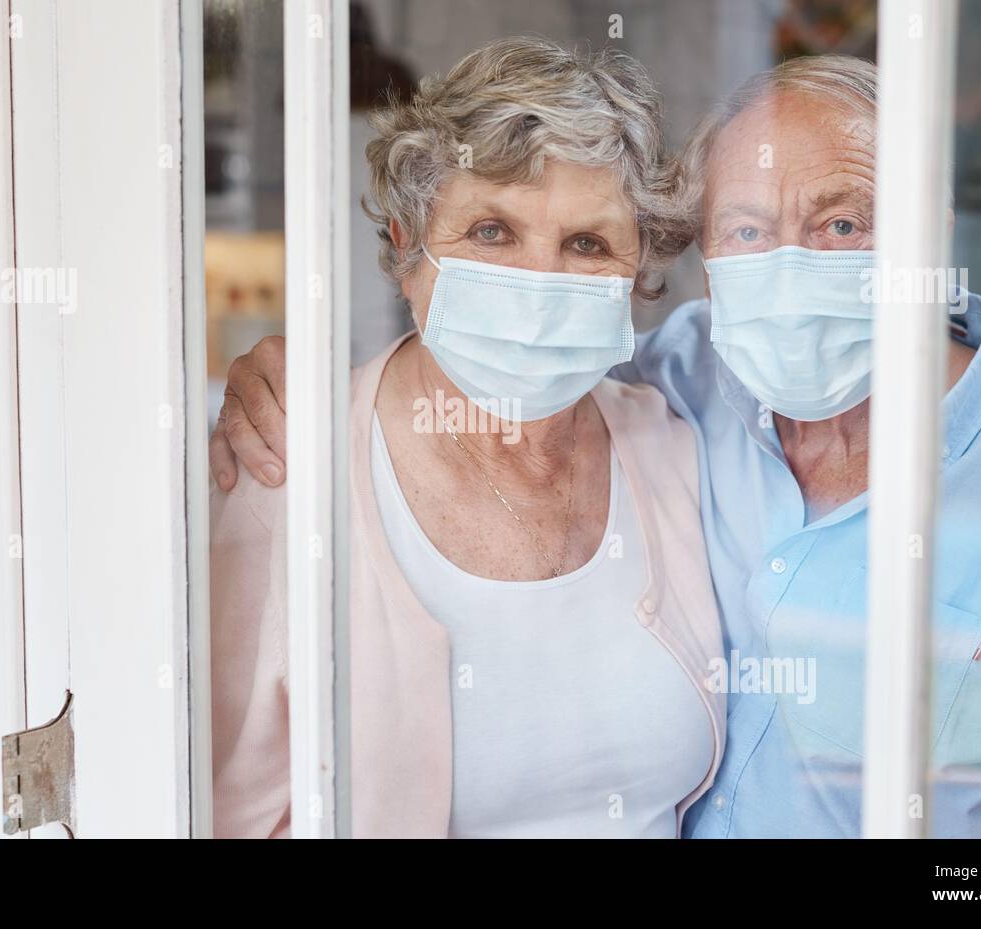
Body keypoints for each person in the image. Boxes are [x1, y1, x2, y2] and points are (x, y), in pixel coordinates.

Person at [215, 52, 981, 839]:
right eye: (751, 231)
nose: (538, 289)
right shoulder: (684, 387)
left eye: (843, 224)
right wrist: (263, 376)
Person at [210, 37, 724, 838]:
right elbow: (218, 809)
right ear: (409, 248)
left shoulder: (676, 452)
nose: (539, 283)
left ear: (639, 276)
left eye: (587, 243)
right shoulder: (291, 467)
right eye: (491, 231)